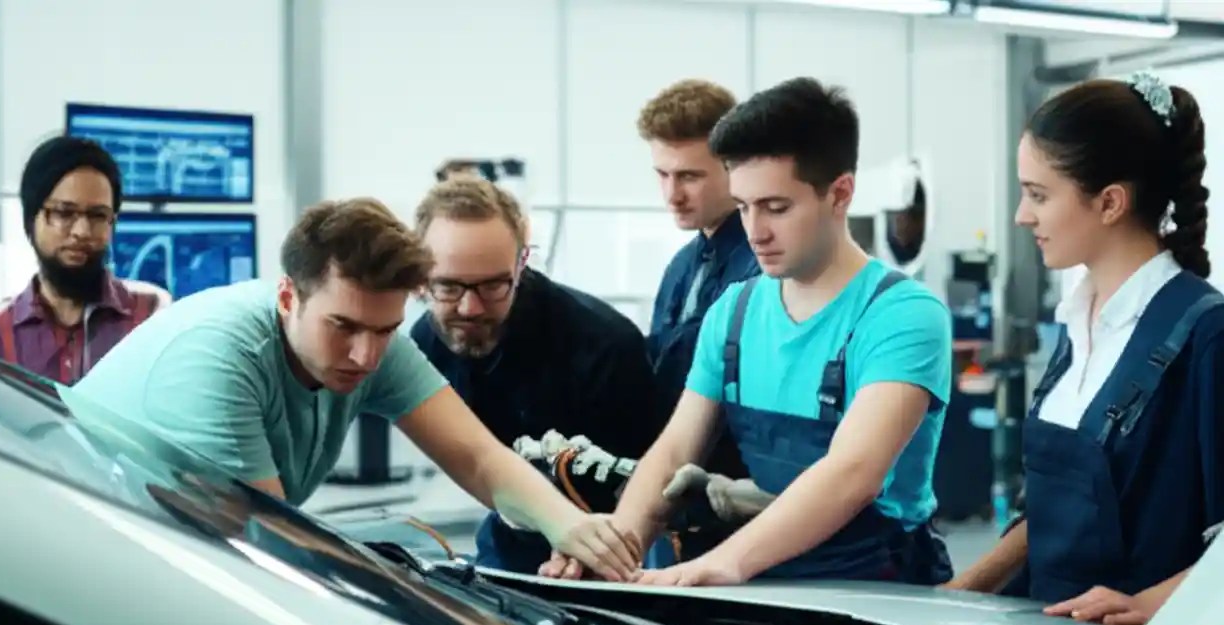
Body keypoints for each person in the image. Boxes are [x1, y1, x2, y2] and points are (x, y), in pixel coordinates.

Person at [69, 197, 641, 582]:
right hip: (80, 559)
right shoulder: (218, 363)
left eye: (385, 330)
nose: (366, 356)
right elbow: (276, 544)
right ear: (289, 297)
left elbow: (478, 456)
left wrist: (570, 527)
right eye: (343, 327)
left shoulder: (375, 344)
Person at [545, 77, 954, 586]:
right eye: (743, 206)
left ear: (840, 193)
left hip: (878, 590)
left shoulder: (902, 315)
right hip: (769, 573)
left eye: (776, 208)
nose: (755, 230)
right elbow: (674, 451)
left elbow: (853, 474)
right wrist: (612, 550)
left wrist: (723, 563)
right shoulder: (734, 310)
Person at [945, 71, 1223, 625]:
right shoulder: (1079, 321)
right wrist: (959, 592)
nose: (1022, 216)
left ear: (1110, 202)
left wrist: (1152, 605)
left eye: (1038, 195)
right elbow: (1048, 513)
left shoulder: (1206, 335)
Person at [409, 176, 659, 572]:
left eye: (493, 286)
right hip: (509, 534)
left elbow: (647, 482)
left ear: (522, 263)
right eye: (449, 287)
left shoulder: (604, 344)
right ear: (419, 276)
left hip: (618, 547)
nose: (470, 308)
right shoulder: (422, 344)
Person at [636, 79, 762, 565]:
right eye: (662, 174)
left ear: (733, 167)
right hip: (674, 496)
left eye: (689, 176)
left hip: (737, 504)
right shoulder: (680, 267)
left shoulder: (764, 269)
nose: (672, 194)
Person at [0, 136, 167, 383]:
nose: (81, 231)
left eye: (97, 215)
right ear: (31, 219)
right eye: (63, 213)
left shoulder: (151, 317)